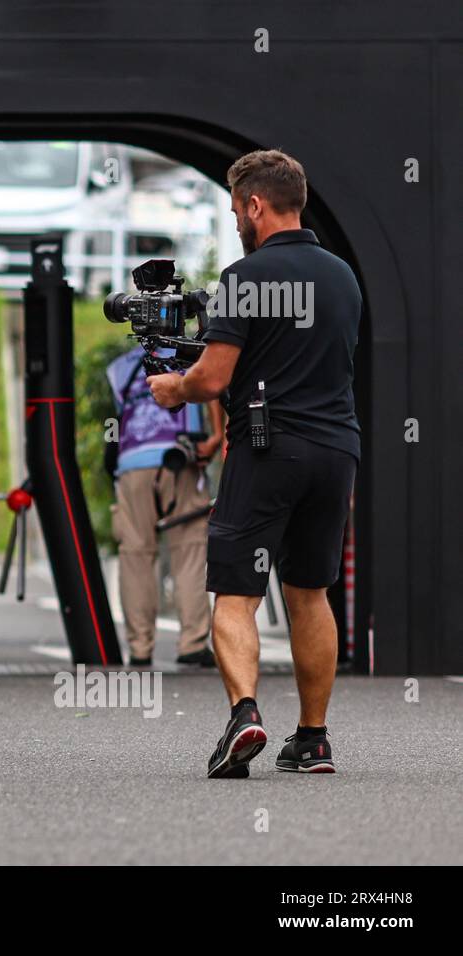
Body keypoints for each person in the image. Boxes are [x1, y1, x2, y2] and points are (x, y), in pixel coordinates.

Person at [147, 150, 360, 778]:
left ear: (257, 205)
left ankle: (244, 715)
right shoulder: (344, 277)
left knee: (236, 593)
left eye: (238, 208)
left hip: (269, 448)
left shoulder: (246, 278)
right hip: (336, 449)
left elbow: (212, 379)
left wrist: (173, 387)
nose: (238, 219)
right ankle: (313, 739)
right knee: (310, 592)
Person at [107, 345, 223, 667]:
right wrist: (215, 436)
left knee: (136, 554)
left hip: (132, 463)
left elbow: (117, 419)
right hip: (179, 457)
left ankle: (140, 647)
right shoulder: (191, 353)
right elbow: (211, 387)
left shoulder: (119, 367)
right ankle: (192, 643)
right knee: (189, 549)